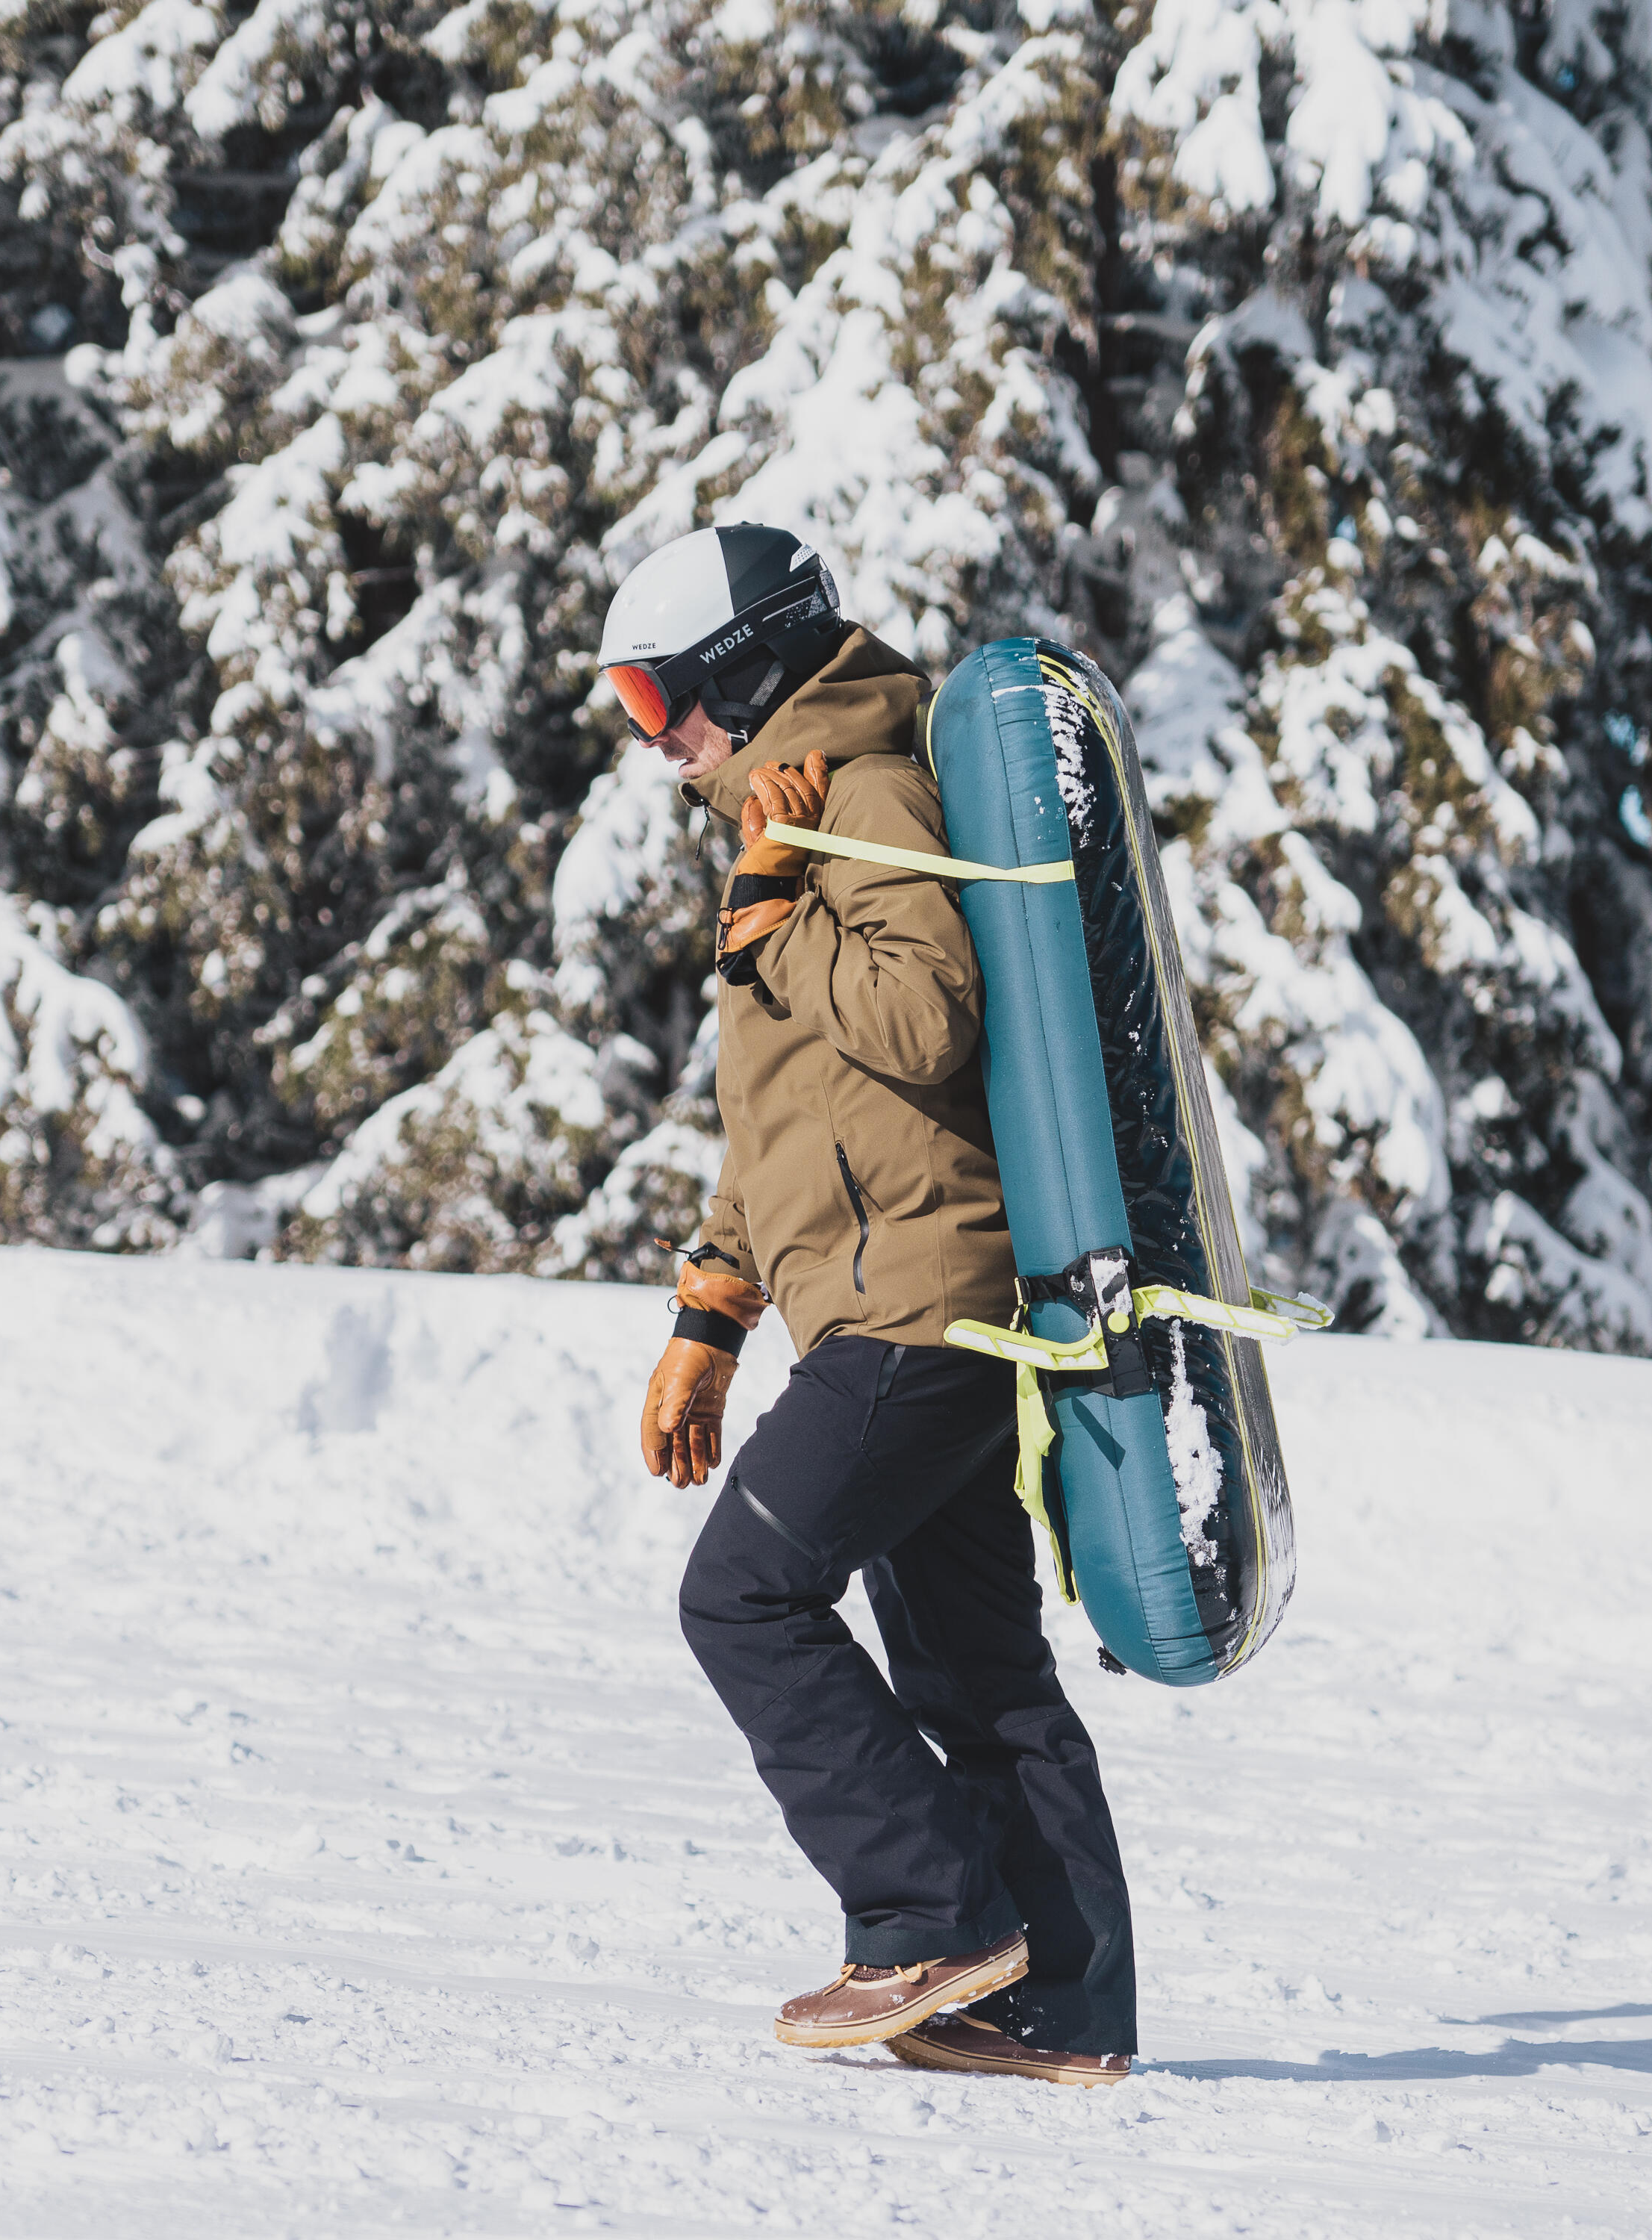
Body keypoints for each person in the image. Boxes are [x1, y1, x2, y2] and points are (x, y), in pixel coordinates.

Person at [603, 522, 1136, 2088]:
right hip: (901, 1302)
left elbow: (923, 1017)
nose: (662, 742)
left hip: (918, 1300)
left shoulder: (869, 795)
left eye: (661, 702)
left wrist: (780, 918)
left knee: (743, 1599)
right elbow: (790, 1114)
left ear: (746, 668)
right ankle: (1061, 2010)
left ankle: (922, 1922)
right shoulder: (797, 820)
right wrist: (711, 1312)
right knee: (977, 1675)